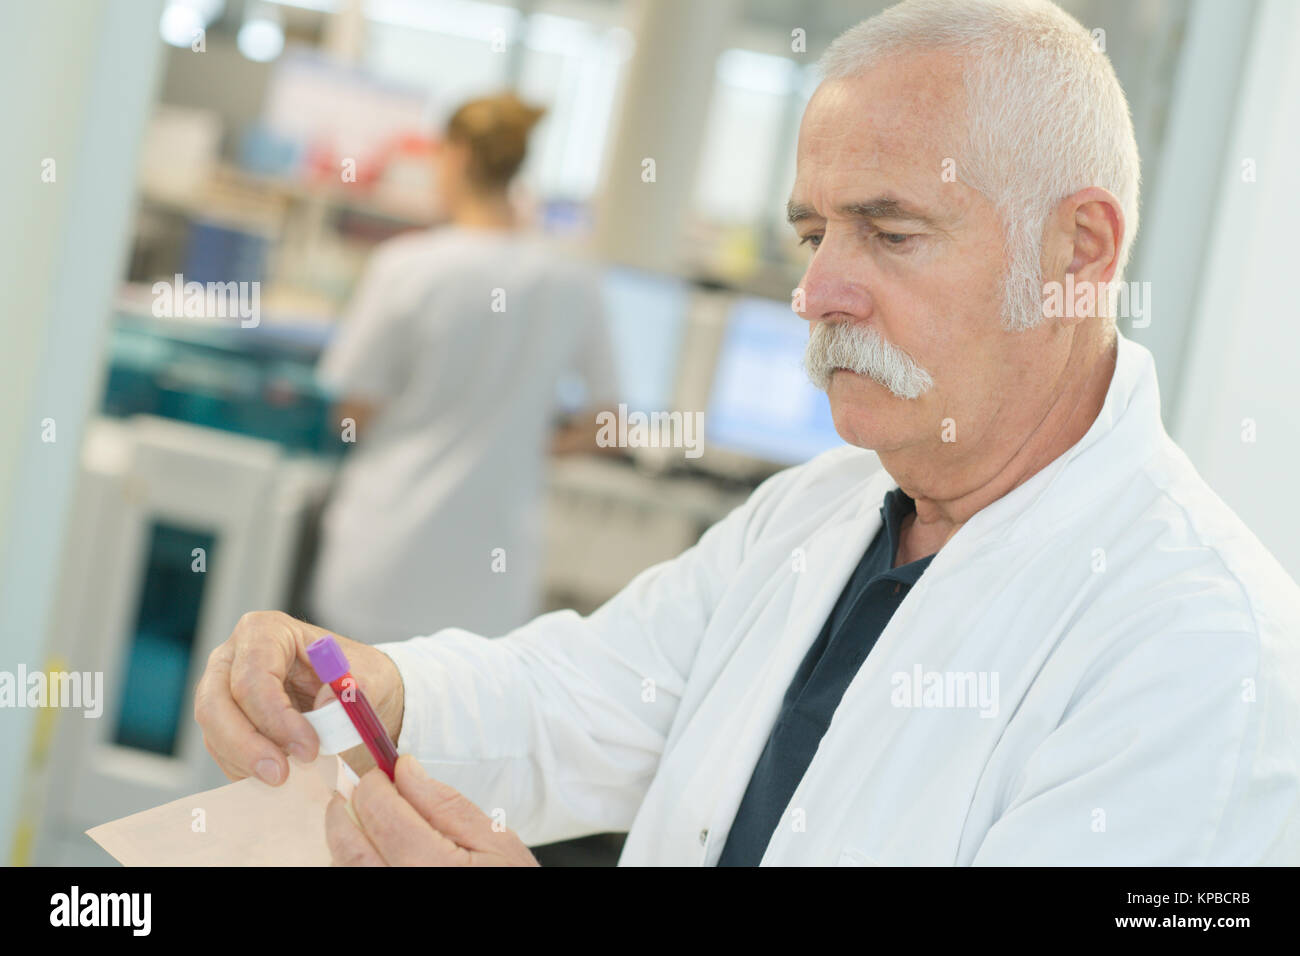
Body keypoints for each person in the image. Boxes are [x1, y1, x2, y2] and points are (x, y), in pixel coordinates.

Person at [196, 0, 1300, 866]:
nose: (816, 291)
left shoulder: (1198, 651)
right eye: (815, 232)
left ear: (1077, 252)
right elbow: (588, 695)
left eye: (890, 230)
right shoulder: (816, 514)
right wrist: (361, 681)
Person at [305, 92, 617, 644]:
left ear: (458, 156)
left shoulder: (407, 267)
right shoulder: (571, 280)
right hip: (489, 577)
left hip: (385, 555)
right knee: (459, 721)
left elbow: (353, 411)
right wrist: (514, 446)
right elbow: (606, 423)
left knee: (349, 719)